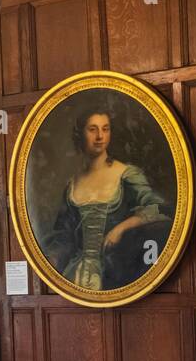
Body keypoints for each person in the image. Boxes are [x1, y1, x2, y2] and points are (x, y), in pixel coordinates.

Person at [42, 109, 170, 291]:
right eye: (92, 129)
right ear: (80, 134)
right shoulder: (73, 183)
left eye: (105, 129)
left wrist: (121, 228)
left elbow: (158, 209)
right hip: (75, 273)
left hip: (116, 268)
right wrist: (52, 259)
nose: (100, 136)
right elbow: (64, 234)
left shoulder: (127, 174)